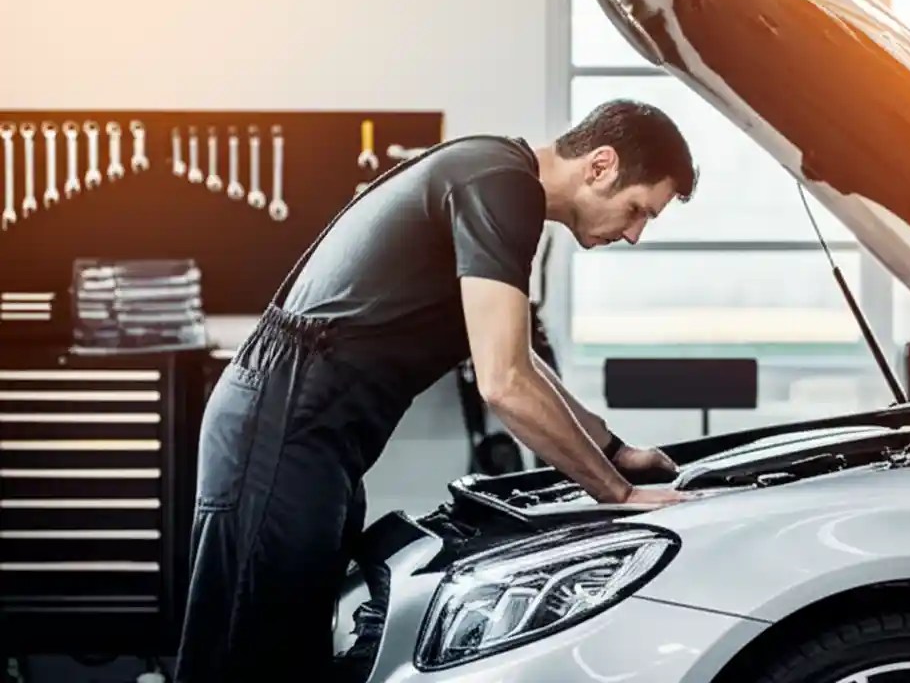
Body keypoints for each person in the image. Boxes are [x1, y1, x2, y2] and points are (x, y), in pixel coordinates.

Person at [173, 99, 699, 681]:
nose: (633, 234)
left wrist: (612, 450)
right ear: (600, 166)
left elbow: (516, 360)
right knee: (251, 657)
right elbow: (504, 383)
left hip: (311, 435)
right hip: (282, 423)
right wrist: (616, 494)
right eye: (636, 210)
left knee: (290, 649)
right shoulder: (502, 185)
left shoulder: (497, 175)